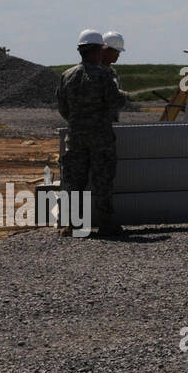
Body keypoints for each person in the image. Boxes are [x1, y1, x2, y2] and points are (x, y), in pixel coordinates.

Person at [55, 29, 123, 238]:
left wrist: (77, 121)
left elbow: (62, 107)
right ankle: (106, 225)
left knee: (74, 181)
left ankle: (73, 225)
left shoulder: (67, 76)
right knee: (102, 180)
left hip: (75, 138)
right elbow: (116, 102)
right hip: (100, 137)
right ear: (98, 51)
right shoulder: (104, 76)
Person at [99, 31, 129, 121]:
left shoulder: (113, 72)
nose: (118, 55)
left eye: (119, 52)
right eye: (116, 51)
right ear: (105, 50)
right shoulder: (96, 72)